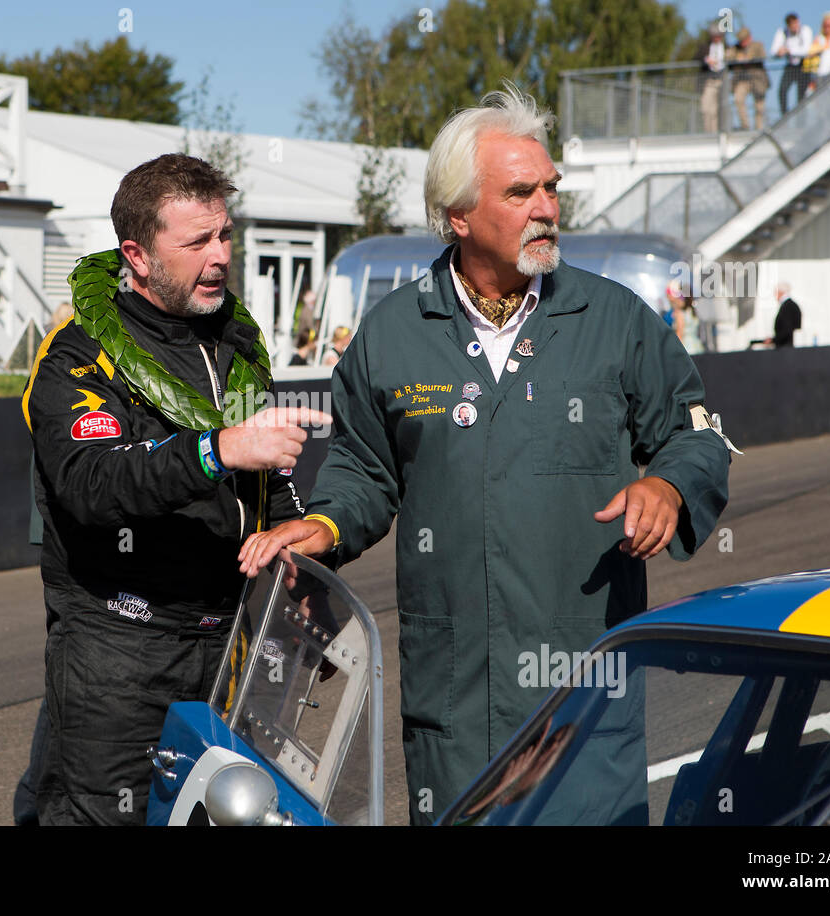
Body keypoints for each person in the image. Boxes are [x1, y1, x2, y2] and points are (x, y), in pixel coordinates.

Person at [238, 85, 731, 825]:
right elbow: (366, 473)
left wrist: (668, 485)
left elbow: (698, 436)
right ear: (458, 216)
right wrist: (329, 527)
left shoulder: (615, 319)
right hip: (455, 700)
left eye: (551, 189)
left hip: (584, 686)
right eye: (521, 191)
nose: (546, 207)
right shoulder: (393, 333)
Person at [21, 153, 327, 825]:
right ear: (137, 253)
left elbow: (267, 481)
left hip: (227, 646)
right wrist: (219, 449)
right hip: (118, 651)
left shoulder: (232, 344)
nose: (219, 256)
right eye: (197, 242)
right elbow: (92, 483)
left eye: (225, 236)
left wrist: (300, 538)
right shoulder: (79, 352)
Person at [773, 13, 814, 113]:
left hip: (804, 66)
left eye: (796, 23)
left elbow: (806, 50)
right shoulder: (782, 32)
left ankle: (801, 121)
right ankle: (784, 115)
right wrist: (780, 52)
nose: (795, 26)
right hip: (790, 66)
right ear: (788, 25)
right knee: (782, 90)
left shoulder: (805, 30)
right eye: (792, 25)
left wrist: (789, 50)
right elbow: (774, 50)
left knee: (802, 95)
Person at [730, 26, 770, 130]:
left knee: (759, 106)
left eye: (744, 40)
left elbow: (763, 56)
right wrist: (736, 59)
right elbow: (727, 57)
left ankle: (759, 129)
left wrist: (750, 58)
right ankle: (745, 126)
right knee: (738, 99)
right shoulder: (736, 48)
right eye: (741, 40)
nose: (742, 42)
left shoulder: (757, 45)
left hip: (757, 80)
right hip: (742, 80)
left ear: (749, 37)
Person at [699, 30, 728, 132]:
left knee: (718, 109)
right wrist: (707, 60)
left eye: (719, 36)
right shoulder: (705, 47)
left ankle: (716, 131)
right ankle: (708, 132)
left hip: (722, 80)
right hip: (709, 80)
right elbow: (696, 57)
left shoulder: (726, 47)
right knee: (706, 108)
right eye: (715, 36)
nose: (716, 38)